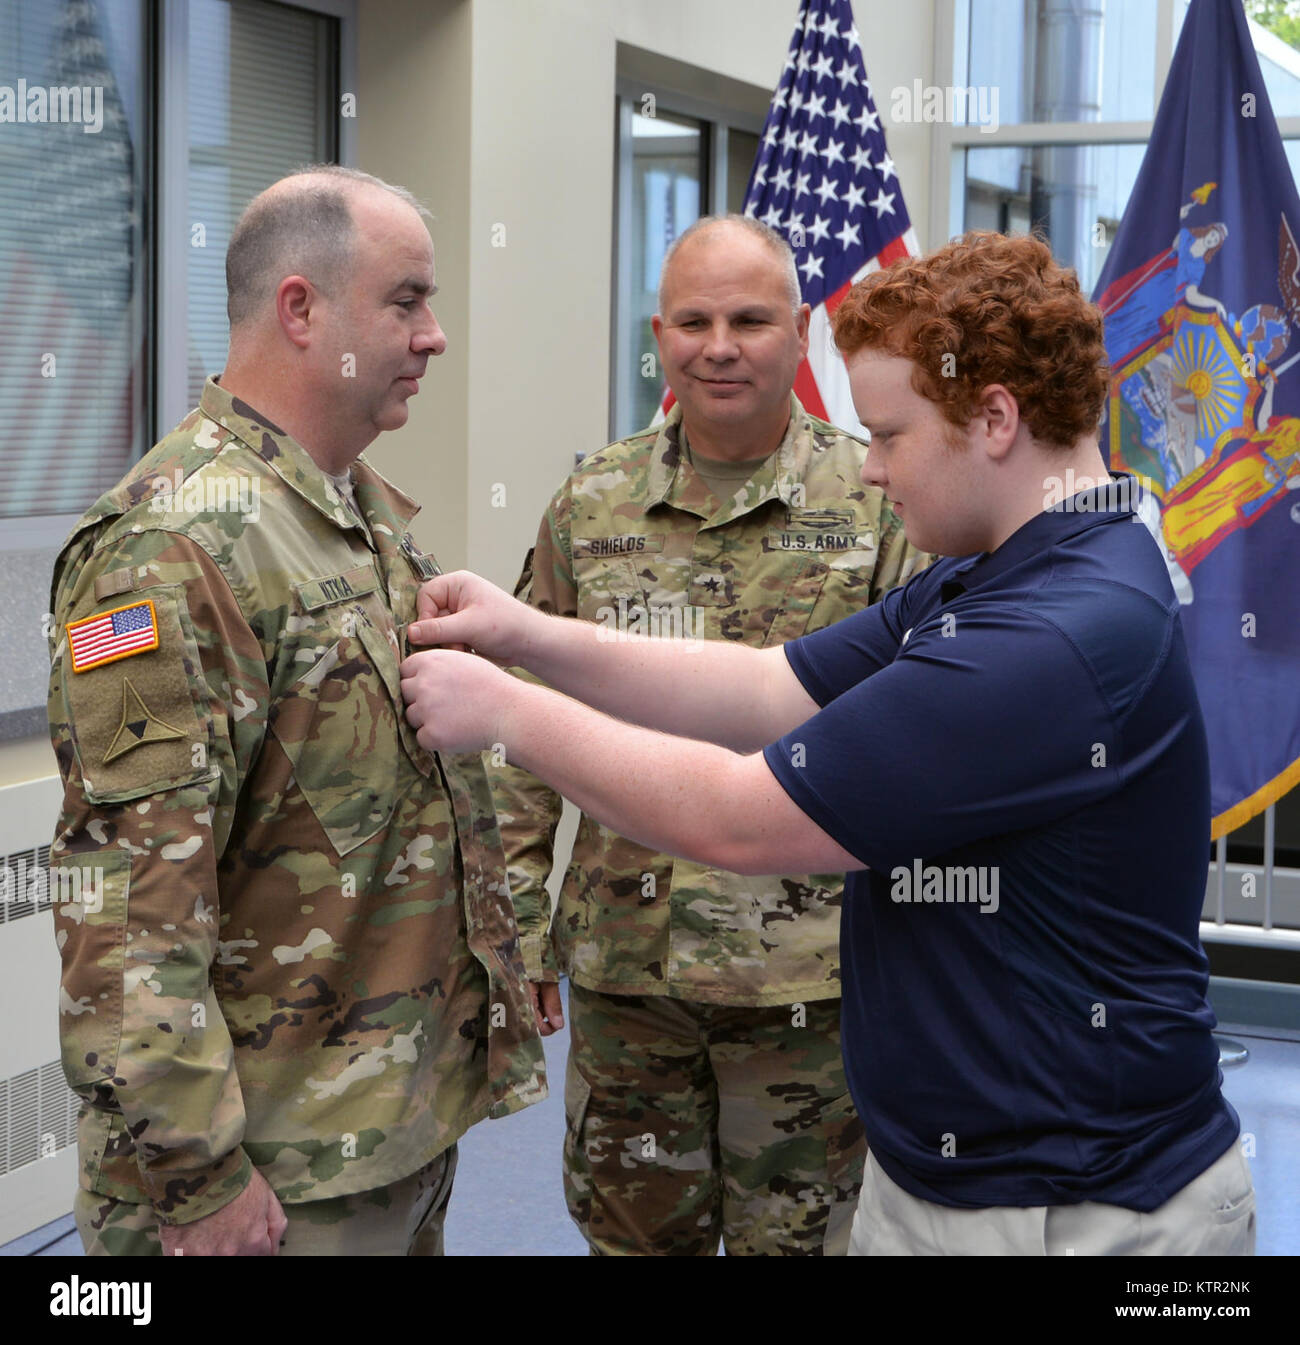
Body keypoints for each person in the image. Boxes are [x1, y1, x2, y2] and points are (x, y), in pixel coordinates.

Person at [400, 231, 1254, 1256]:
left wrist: (505, 712)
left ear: (993, 419)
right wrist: (523, 633)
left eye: (890, 435)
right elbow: (768, 685)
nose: (876, 469)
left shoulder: (1052, 635)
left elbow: (740, 817)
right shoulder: (999, 569)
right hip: (962, 1174)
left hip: (1076, 1210)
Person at [46, 165, 545, 1257]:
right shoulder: (168, 548)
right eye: (407, 300)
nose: (435, 335)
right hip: (265, 1182)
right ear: (302, 309)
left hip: (383, 1133)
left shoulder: (351, 516)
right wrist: (199, 1175)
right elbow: (128, 905)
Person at [489, 214, 926, 1256]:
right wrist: (511, 921)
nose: (718, 344)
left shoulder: (878, 506)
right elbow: (515, 728)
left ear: (802, 328)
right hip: (626, 978)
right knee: (634, 1241)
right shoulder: (590, 501)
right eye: (692, 320)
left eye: (747, 318)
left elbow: (916, 740)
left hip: (810, 985)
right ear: (658, 332)